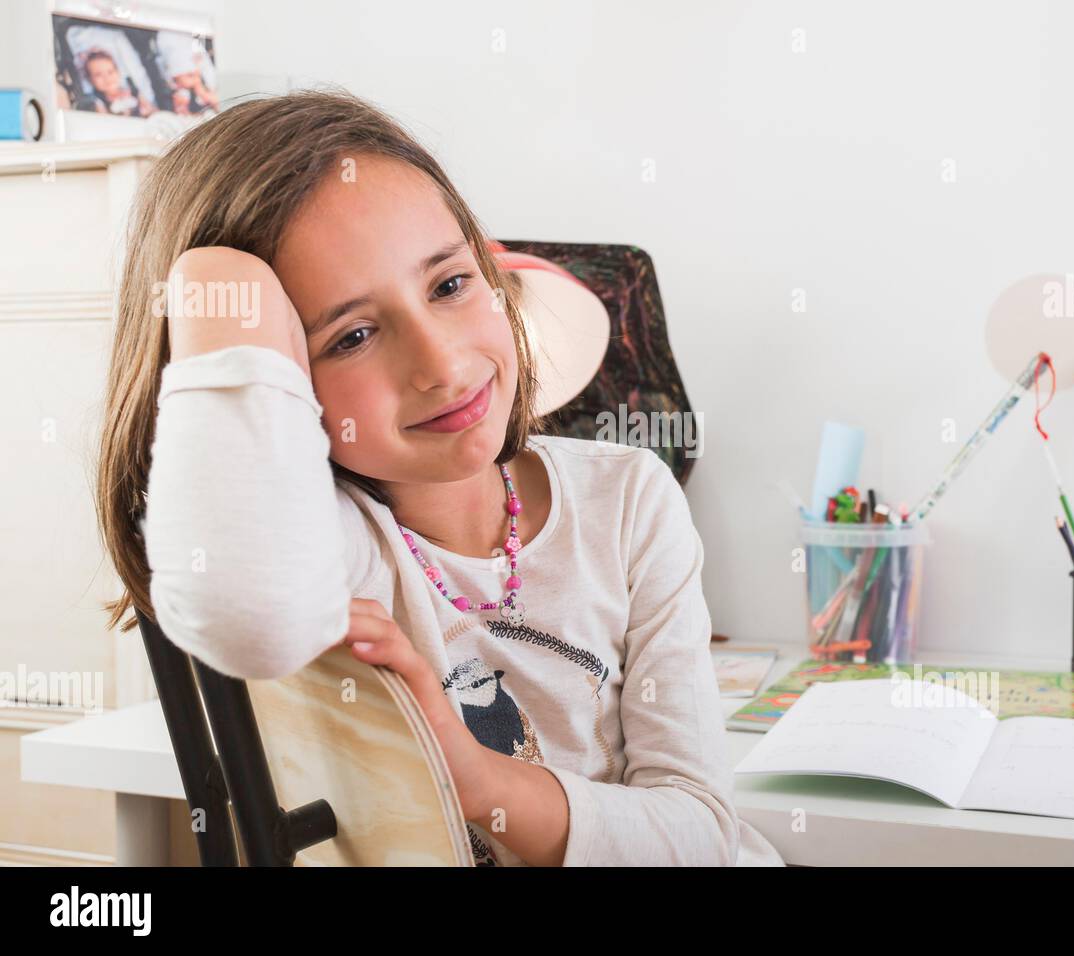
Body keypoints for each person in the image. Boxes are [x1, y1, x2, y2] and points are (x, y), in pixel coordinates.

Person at [96, 88, 785, 867]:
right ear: (285, 371)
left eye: (449, 284)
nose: (442, 365)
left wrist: (468, 772)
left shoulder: (627, 499)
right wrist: (207, 277)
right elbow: (247, 607)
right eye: (352, 335)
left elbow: (698, 836)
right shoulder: (332, 553)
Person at [84, 50, 157, 117]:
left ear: (118, 72)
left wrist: (146, 109)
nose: (106, 78)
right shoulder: (98, 102)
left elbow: (152, 110)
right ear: (90, 80)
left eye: (110, 72)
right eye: (98, 75)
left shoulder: (133, 91)